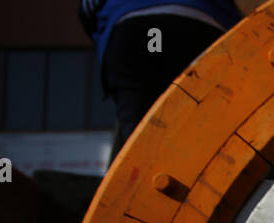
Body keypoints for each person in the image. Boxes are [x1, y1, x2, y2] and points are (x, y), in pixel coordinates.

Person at [79, 0, 243, 162]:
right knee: (205, 134)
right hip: (202, 29)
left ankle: (136, 174)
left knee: (138, 138)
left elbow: (88, 9)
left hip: (137, 29)